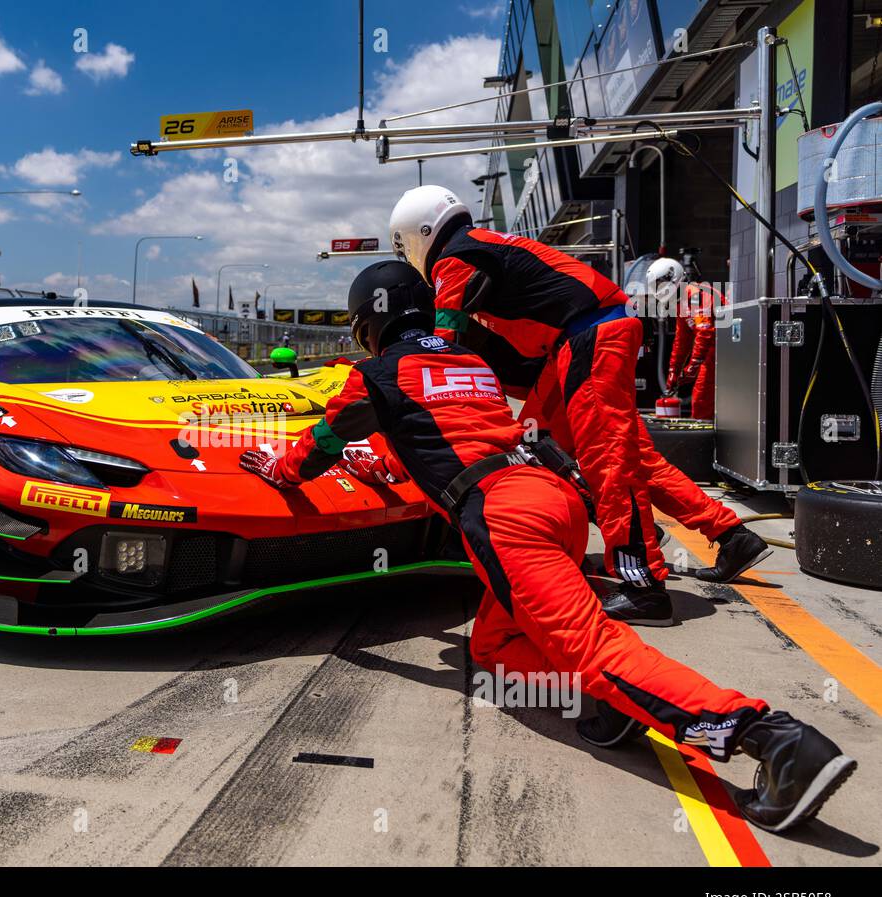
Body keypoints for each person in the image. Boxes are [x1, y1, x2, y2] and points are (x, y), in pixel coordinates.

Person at [238, 260, 855, 833]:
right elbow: (447, 432)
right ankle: (603, 700)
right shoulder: (467, 365)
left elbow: (318, 446)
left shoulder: (372, 375)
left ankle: (770, 737)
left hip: (505, 517)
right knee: (492, 646)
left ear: (367, 325)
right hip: (553, 499)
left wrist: (277, 471)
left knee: (593, 645)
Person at [388, 185, 769, 626]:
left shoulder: (454, 259)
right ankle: (728, 533)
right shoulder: (482, 245)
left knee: (607, 458)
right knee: (550, 441)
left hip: (588, 336)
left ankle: (643, 585)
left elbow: (442, 350)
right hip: (580, 340)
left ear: (416, 235)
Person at [649, 256, 720, 421]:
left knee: (702, 400)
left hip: (722, 352)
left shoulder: (699, 294)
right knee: (701, 400)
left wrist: (692, 366)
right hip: (712, 354)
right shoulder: (682, 303)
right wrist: (673, 372)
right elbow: (682, 342)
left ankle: (704, 442)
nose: (658, 288)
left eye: (660, 283)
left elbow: (705, 332)